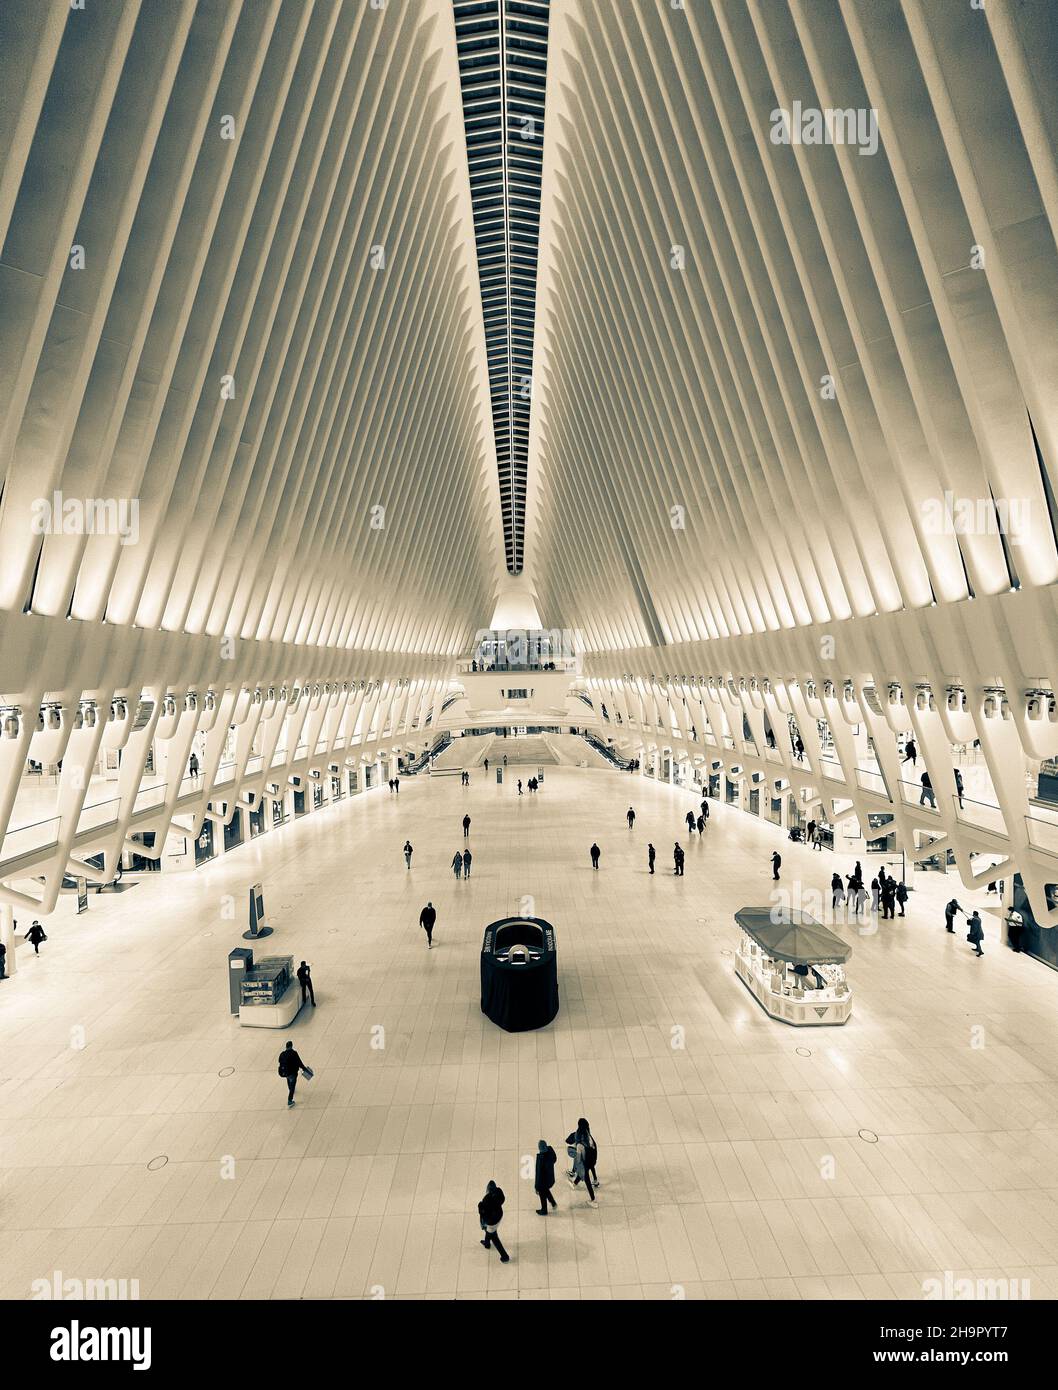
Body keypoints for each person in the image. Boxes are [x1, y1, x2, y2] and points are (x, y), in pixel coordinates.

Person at [478, 1181, 509, 1261]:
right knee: (489, 1232)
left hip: (492, 1221)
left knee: (494, 1237)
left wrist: (480, 1206)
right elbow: (503, 1199)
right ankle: (487, 1244)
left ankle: (505, 1256)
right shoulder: (499, 1192)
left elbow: (483, 1213)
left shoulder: (486, 1199)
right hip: (499, 1215)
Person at [566, 1120, 596, 1202]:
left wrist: (575, 1166)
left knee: (587, 1181)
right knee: (581, 1173)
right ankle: (574, 1183)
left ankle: (593, 1200)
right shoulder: (589, 1136)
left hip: (585, 1163)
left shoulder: (579, 1145)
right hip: (592, 1160)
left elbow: (578, 1159)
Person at [278, 1041, 309, 1107]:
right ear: (291, 1046)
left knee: (288, 1079)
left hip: (285, 1072)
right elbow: (299, 1062)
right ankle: (290, 1100)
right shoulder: (294, 1053)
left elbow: (280, 1061)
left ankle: (290, 1089)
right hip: (293, 1072)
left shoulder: (282, 1054)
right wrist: (304, 1069)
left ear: (286, 1046)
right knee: (293, 1085)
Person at [534, 1140, 558, 1215]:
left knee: (542, 1195)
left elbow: (538, 1174)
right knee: (546, 1190)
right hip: (550, 1178)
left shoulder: (541, 1159)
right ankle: (553, 1203)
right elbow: (554, 1159)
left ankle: (544, 1210)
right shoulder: (550, 1150)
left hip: (542, 1182)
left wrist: (537, 1187)